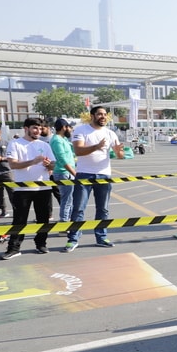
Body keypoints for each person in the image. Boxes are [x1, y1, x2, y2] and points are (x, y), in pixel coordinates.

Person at [64, 106, 124, 252]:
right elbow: (78, 151)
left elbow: (120, 155)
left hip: (104, 175)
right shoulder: (81, 130)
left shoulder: (110, 133)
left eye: (105, 115)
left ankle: (101, 237)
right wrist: (97, 146)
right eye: (99, 114)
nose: (103, 117)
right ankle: (73, 239)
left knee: (103, 209)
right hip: (84, 174)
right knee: (78, 209)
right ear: (92, 116)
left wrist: (118, 152)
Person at [0, 118, 56, 260]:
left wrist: (49, 165)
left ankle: (41, 243)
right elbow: (13, 165)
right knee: (19, 219)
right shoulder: (15, 143)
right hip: (22, 188)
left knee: (43, 219)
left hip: (43, 187)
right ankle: (14, 248)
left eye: (40, 128)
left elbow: (53, 165)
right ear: (26, 128)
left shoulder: (44, 144)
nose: (38, 131)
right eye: (34, 128)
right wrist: (33, 161)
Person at [49, 118, 77, 224]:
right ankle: (64, 222)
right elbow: (62, 159)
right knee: (66, 200)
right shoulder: (57, 140)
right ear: (64, 127)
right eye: (70, 127)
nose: (71, 129)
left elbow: (72, 152)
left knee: (69, 199)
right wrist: (74, 173)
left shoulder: (63, 139)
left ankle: (67, 220)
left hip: (67, 173)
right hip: (63, 173)